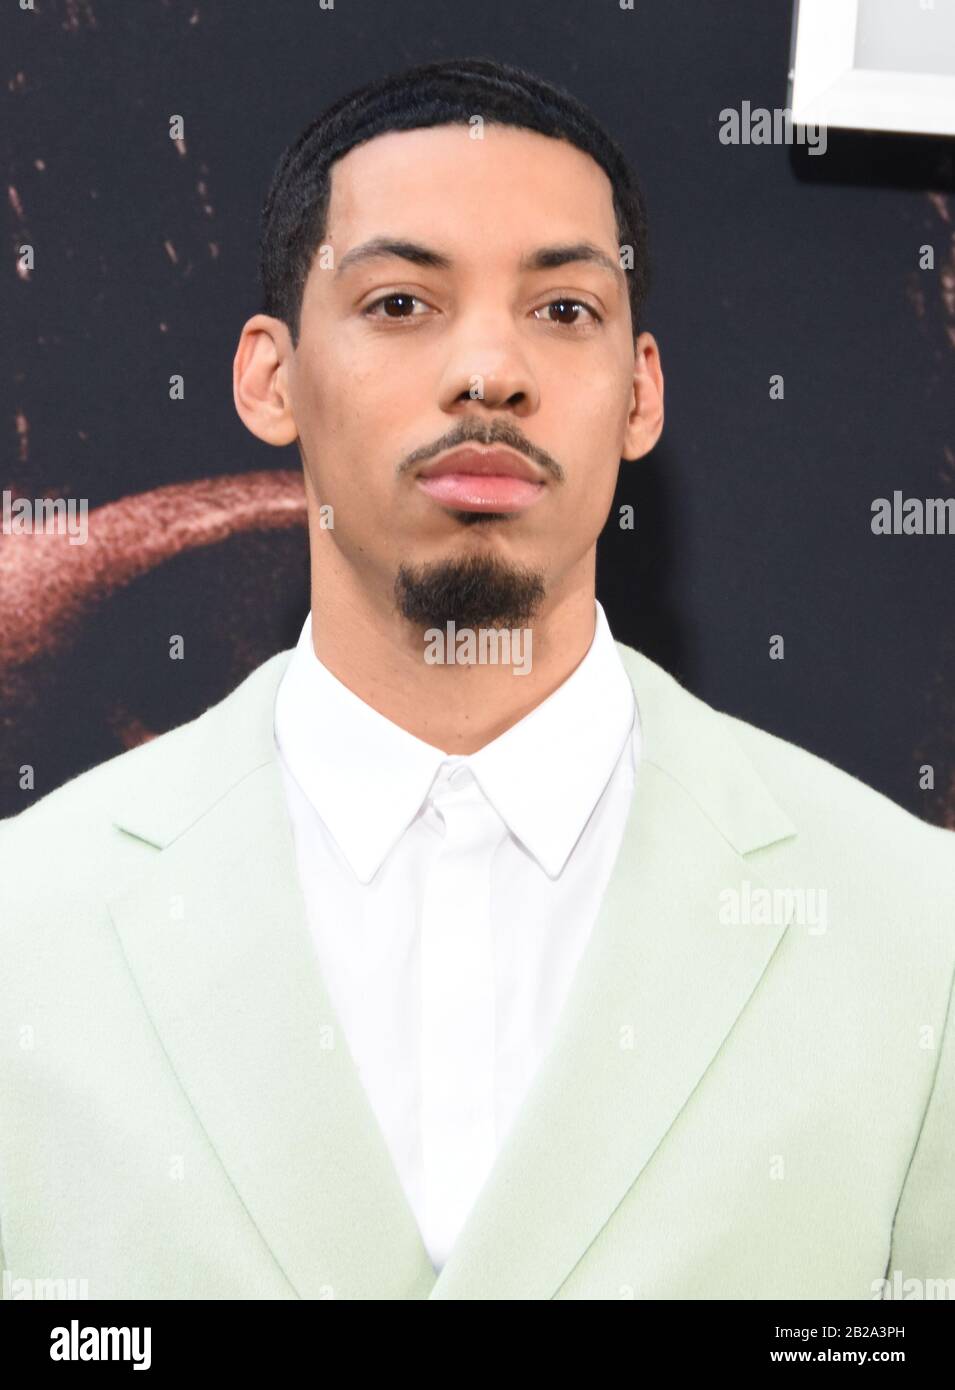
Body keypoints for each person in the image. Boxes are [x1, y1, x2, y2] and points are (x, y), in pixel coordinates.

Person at [1, 57, 953, 1302]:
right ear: (268, 378)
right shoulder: (32, 926)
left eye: (563, 310)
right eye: (401, 303)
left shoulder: (907, 927)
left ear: (641, 391)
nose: (490, 371)